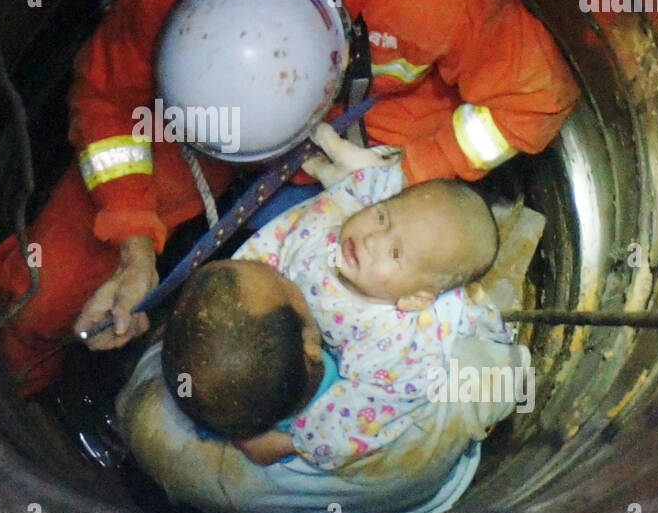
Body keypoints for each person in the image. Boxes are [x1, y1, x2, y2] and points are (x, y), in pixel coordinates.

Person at [0, 0, 578, 394]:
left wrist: (407, 175)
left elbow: (539, 96)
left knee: (320, 328)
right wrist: (134, 248)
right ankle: (15, 391)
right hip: (194, 133)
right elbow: (108, 104)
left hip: (372, 123)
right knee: (48, 296)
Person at [162, 157, 521, 472]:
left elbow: (366, 416)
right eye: (382, 217)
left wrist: (293, 443)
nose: (372, 239)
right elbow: (271, 248)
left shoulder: (401, 340)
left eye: (396, 253)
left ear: (415, 297)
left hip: (409, 347)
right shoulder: (329, 225)